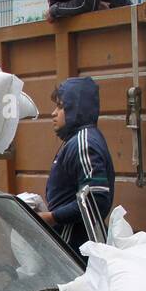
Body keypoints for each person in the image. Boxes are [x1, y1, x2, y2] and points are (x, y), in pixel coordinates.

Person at [35, 77, 113, 260]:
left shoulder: (84, 143)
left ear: (76, 108)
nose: (53, 113)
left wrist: (51, 217)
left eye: (61, 107)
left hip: (75, 246)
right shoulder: (77, 140)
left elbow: (96, 199)